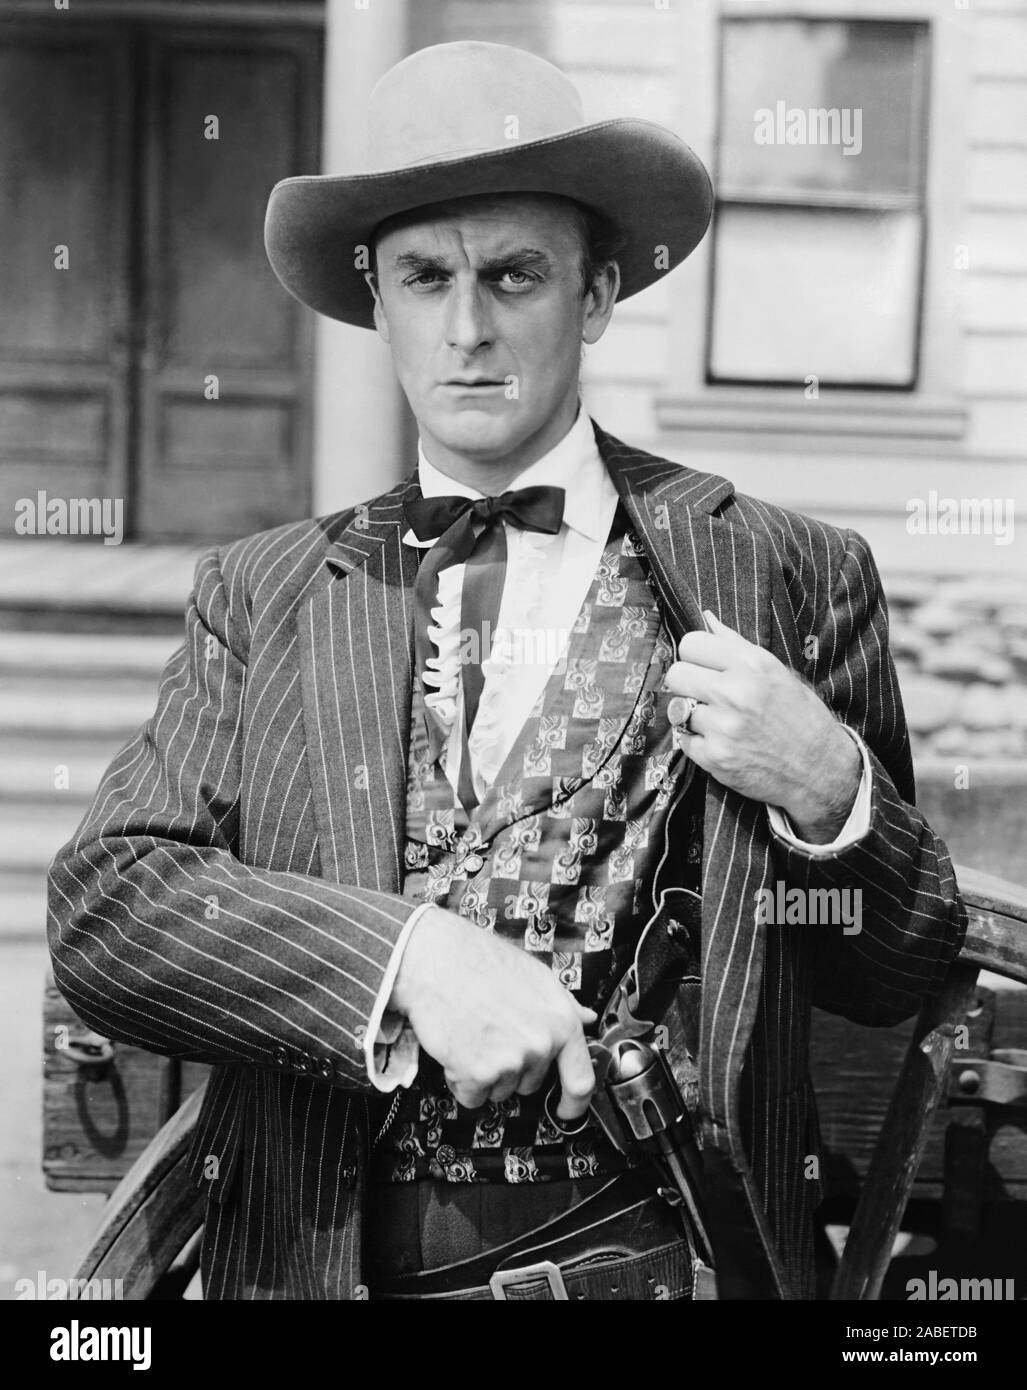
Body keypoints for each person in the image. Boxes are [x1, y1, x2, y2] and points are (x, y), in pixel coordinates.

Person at [47, 40, 966, 1301]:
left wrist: (826, 785)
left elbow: (895, 968)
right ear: (375, 298)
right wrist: (408, 959)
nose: (467, 329)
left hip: (661, 1272)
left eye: (514, 275)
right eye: (426, 277)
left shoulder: (783, 573)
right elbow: (109, 908)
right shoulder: (263, 593)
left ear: (592, 295)